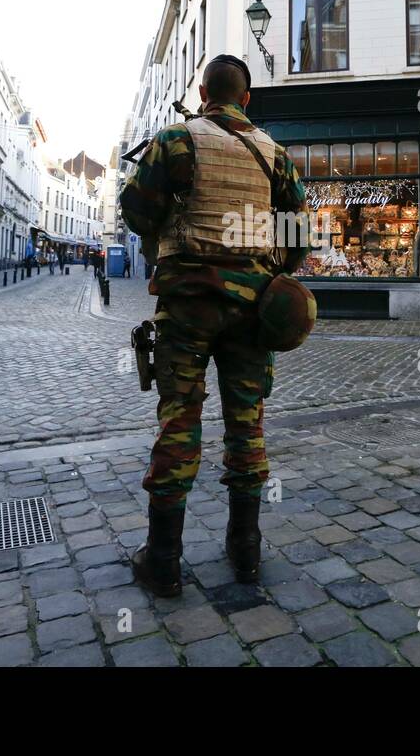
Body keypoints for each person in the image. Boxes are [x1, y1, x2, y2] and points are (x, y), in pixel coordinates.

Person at [119, 54, 309, 597]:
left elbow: (136, 212)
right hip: (252, 313)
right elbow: (298, 233)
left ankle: (163, 559)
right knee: (247, 425)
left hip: (186, 310)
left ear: (203, 91)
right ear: (247, 99)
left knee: (179, 422)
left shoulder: (176, 140)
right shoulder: (275, 154)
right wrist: (272, 275)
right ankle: (245, 549)